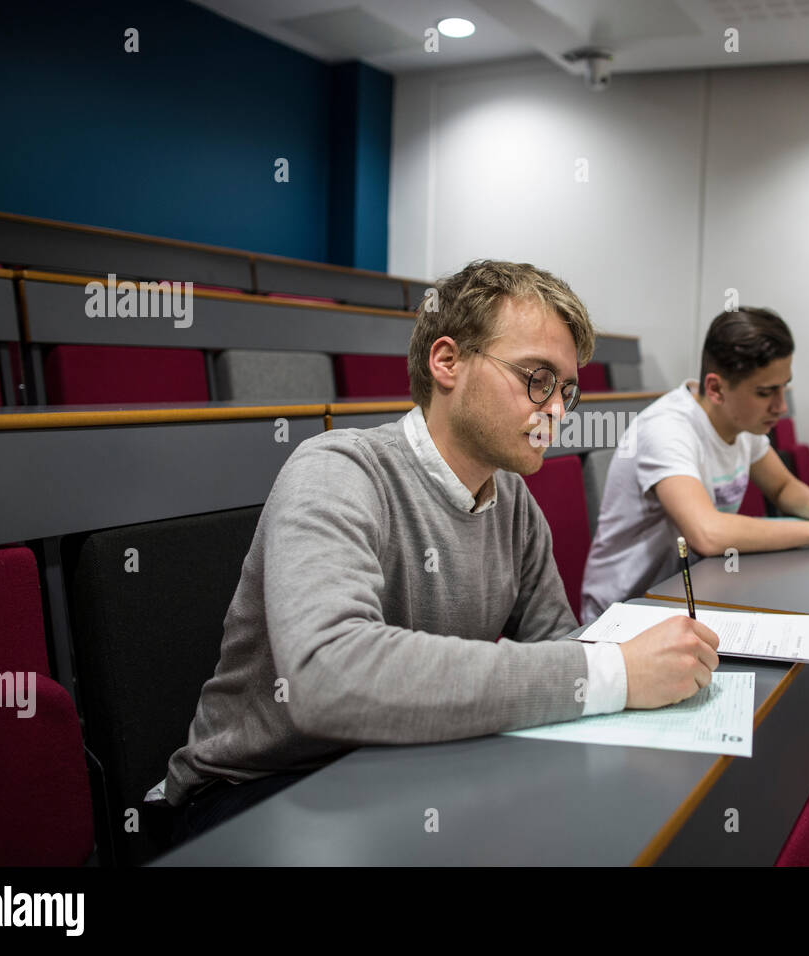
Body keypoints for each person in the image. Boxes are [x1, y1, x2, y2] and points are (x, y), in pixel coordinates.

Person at [150, 260, 720, 840]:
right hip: (253, 793)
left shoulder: (514, 502)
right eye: (536, 377)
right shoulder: (337, 469)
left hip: (409, 764)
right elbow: (328, 677)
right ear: (446, 362)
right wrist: (615, 671)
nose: (555, 411)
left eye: (566, 391)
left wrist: (632, 675)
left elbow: (557, 651)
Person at [581, 307, 809, 623]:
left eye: (783, 387)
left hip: (691, 595)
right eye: (766, 392)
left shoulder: (743, 423)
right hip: (625, 614)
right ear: (715, 389)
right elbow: (708, 533)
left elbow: (782, 487)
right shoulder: (665, 430)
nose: (780, 406)